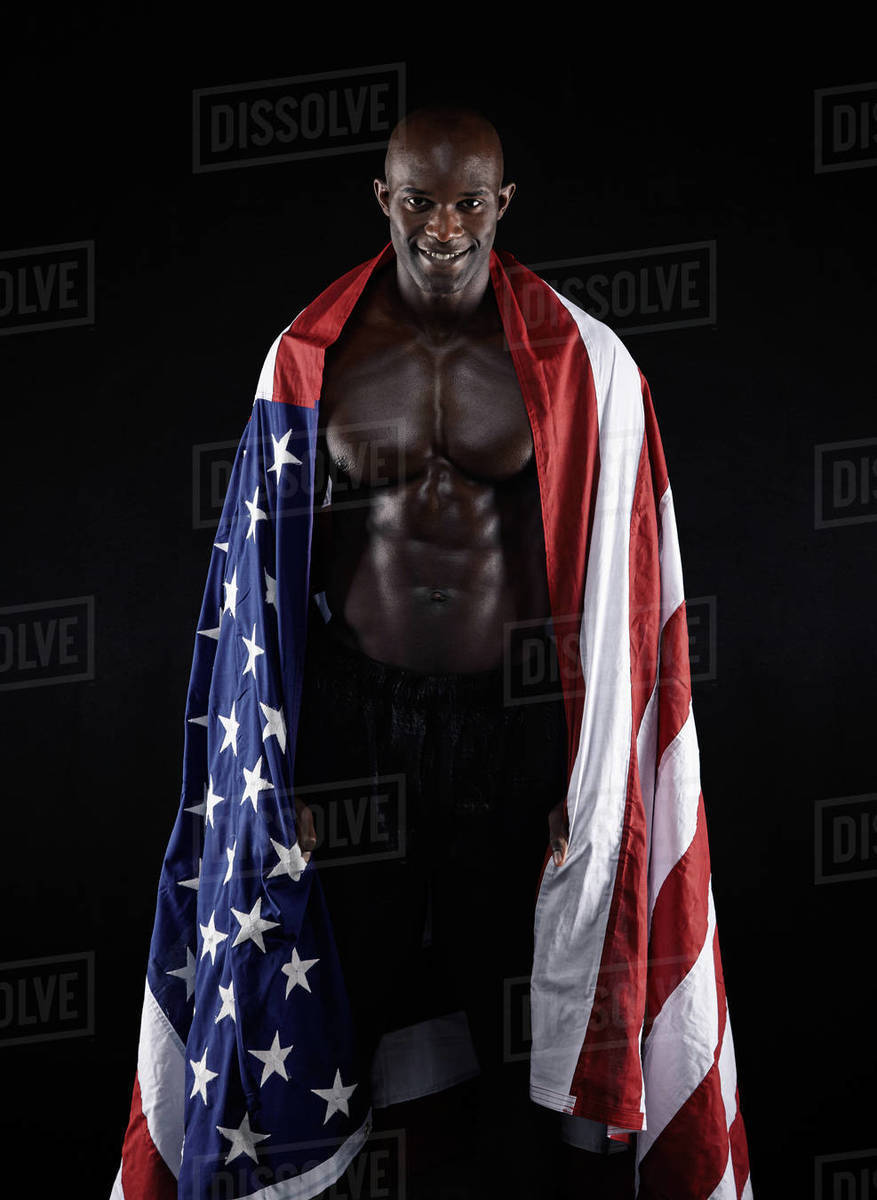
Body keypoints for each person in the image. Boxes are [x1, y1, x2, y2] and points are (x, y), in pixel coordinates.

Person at [289, 104, 635, 1199]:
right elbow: (268, 579)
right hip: (359, 715)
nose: (444, 225)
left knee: (517, 1001)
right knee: (345, 986)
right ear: (382, 199)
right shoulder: (316, 352)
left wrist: (585, 763)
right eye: (420, 200)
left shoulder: (572, 358)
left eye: (468, 201)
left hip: (507, 716)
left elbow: (610, 575)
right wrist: (287, 762)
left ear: (503, 205)